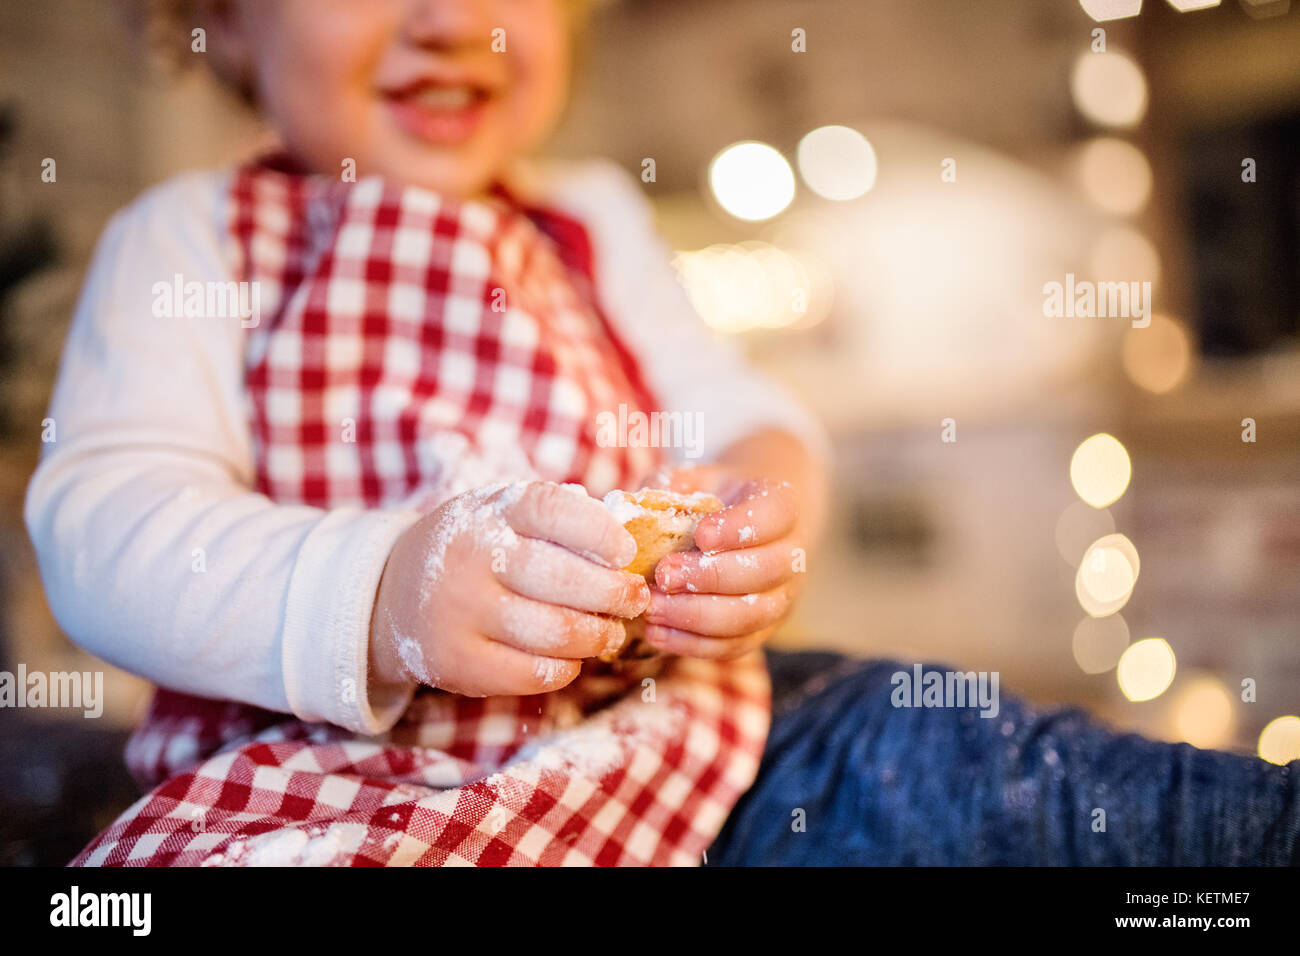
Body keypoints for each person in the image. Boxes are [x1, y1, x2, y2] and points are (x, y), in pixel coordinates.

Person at [25, 0, 1298, 866]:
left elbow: (738, 411)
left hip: (686, 741)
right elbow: (106, 525)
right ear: (224, 19)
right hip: (333, 783)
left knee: (982, 769)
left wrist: (749, 512)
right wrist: (384, 592)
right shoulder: (192, 239)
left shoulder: (587, 223)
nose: (454, 19)